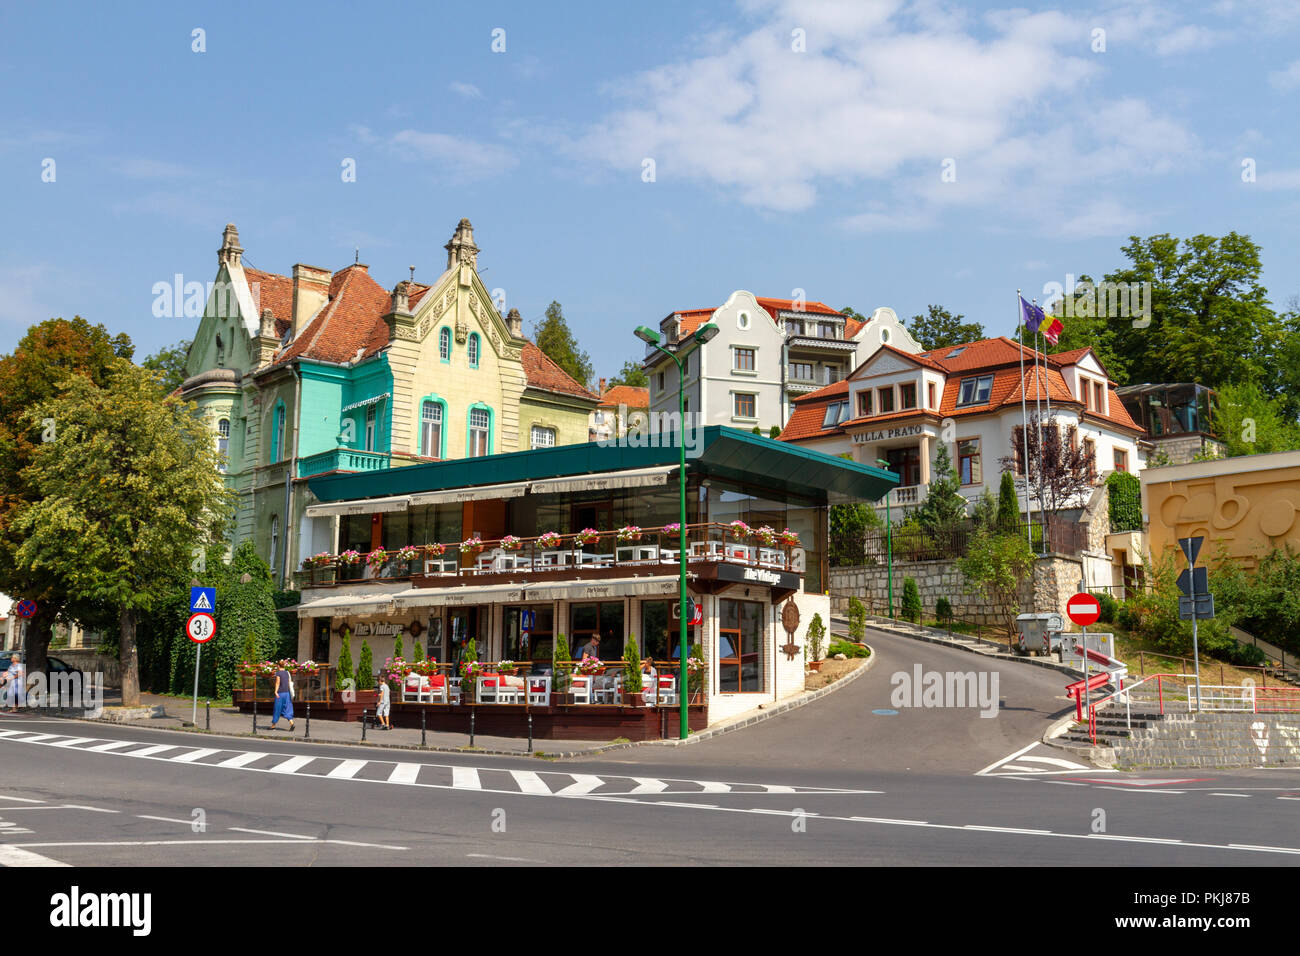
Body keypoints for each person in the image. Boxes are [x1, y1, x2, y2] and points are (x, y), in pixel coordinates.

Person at [269, 664, 295, 732]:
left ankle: (273, 725)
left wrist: (275, 691)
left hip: (280, 693)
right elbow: (289, 682)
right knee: (287, 708)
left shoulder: (278, 673)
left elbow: (277, 683)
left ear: (278, 666)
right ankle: (292, 723)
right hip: (287, 693)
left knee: (277, 709)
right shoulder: (287, 673)